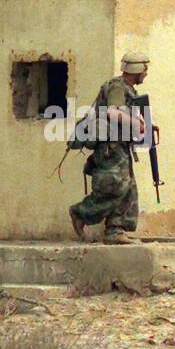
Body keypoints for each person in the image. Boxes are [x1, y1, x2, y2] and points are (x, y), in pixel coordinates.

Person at [68, 51, 151, 244]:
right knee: (114, 186)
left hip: (120, 146)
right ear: (137, 69)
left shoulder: (127, 88)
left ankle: (115, 230)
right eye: (145, 69)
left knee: (127, 188)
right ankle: (80, 213)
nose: (146, 73)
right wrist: (135, 123)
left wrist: (145, 125)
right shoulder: (117, 87)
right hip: (110, 148)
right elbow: (113, 113)